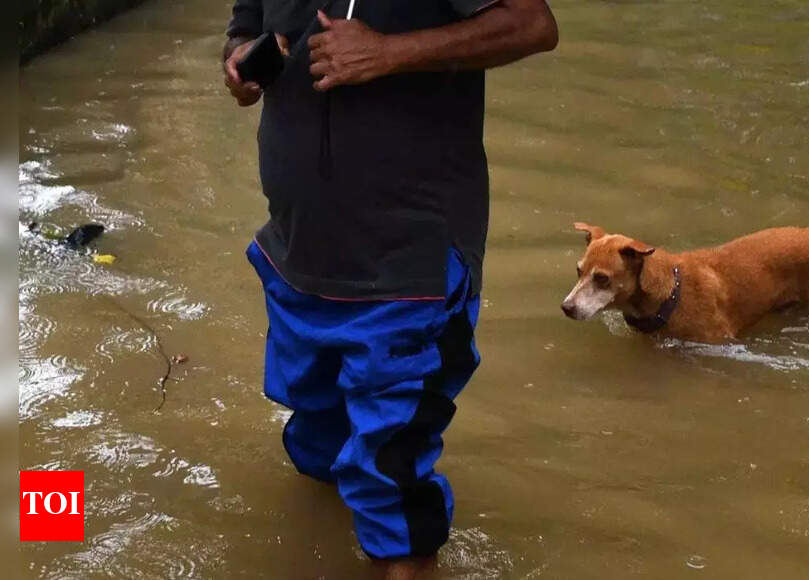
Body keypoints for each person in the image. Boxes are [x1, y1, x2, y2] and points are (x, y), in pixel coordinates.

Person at [221, 0, 557, 577]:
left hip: (408, 263)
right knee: (319, 448)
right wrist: (242, 66)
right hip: (297, 255)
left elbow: (533, 24)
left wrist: (388, 52)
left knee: (391, 485)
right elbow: (243, 31)